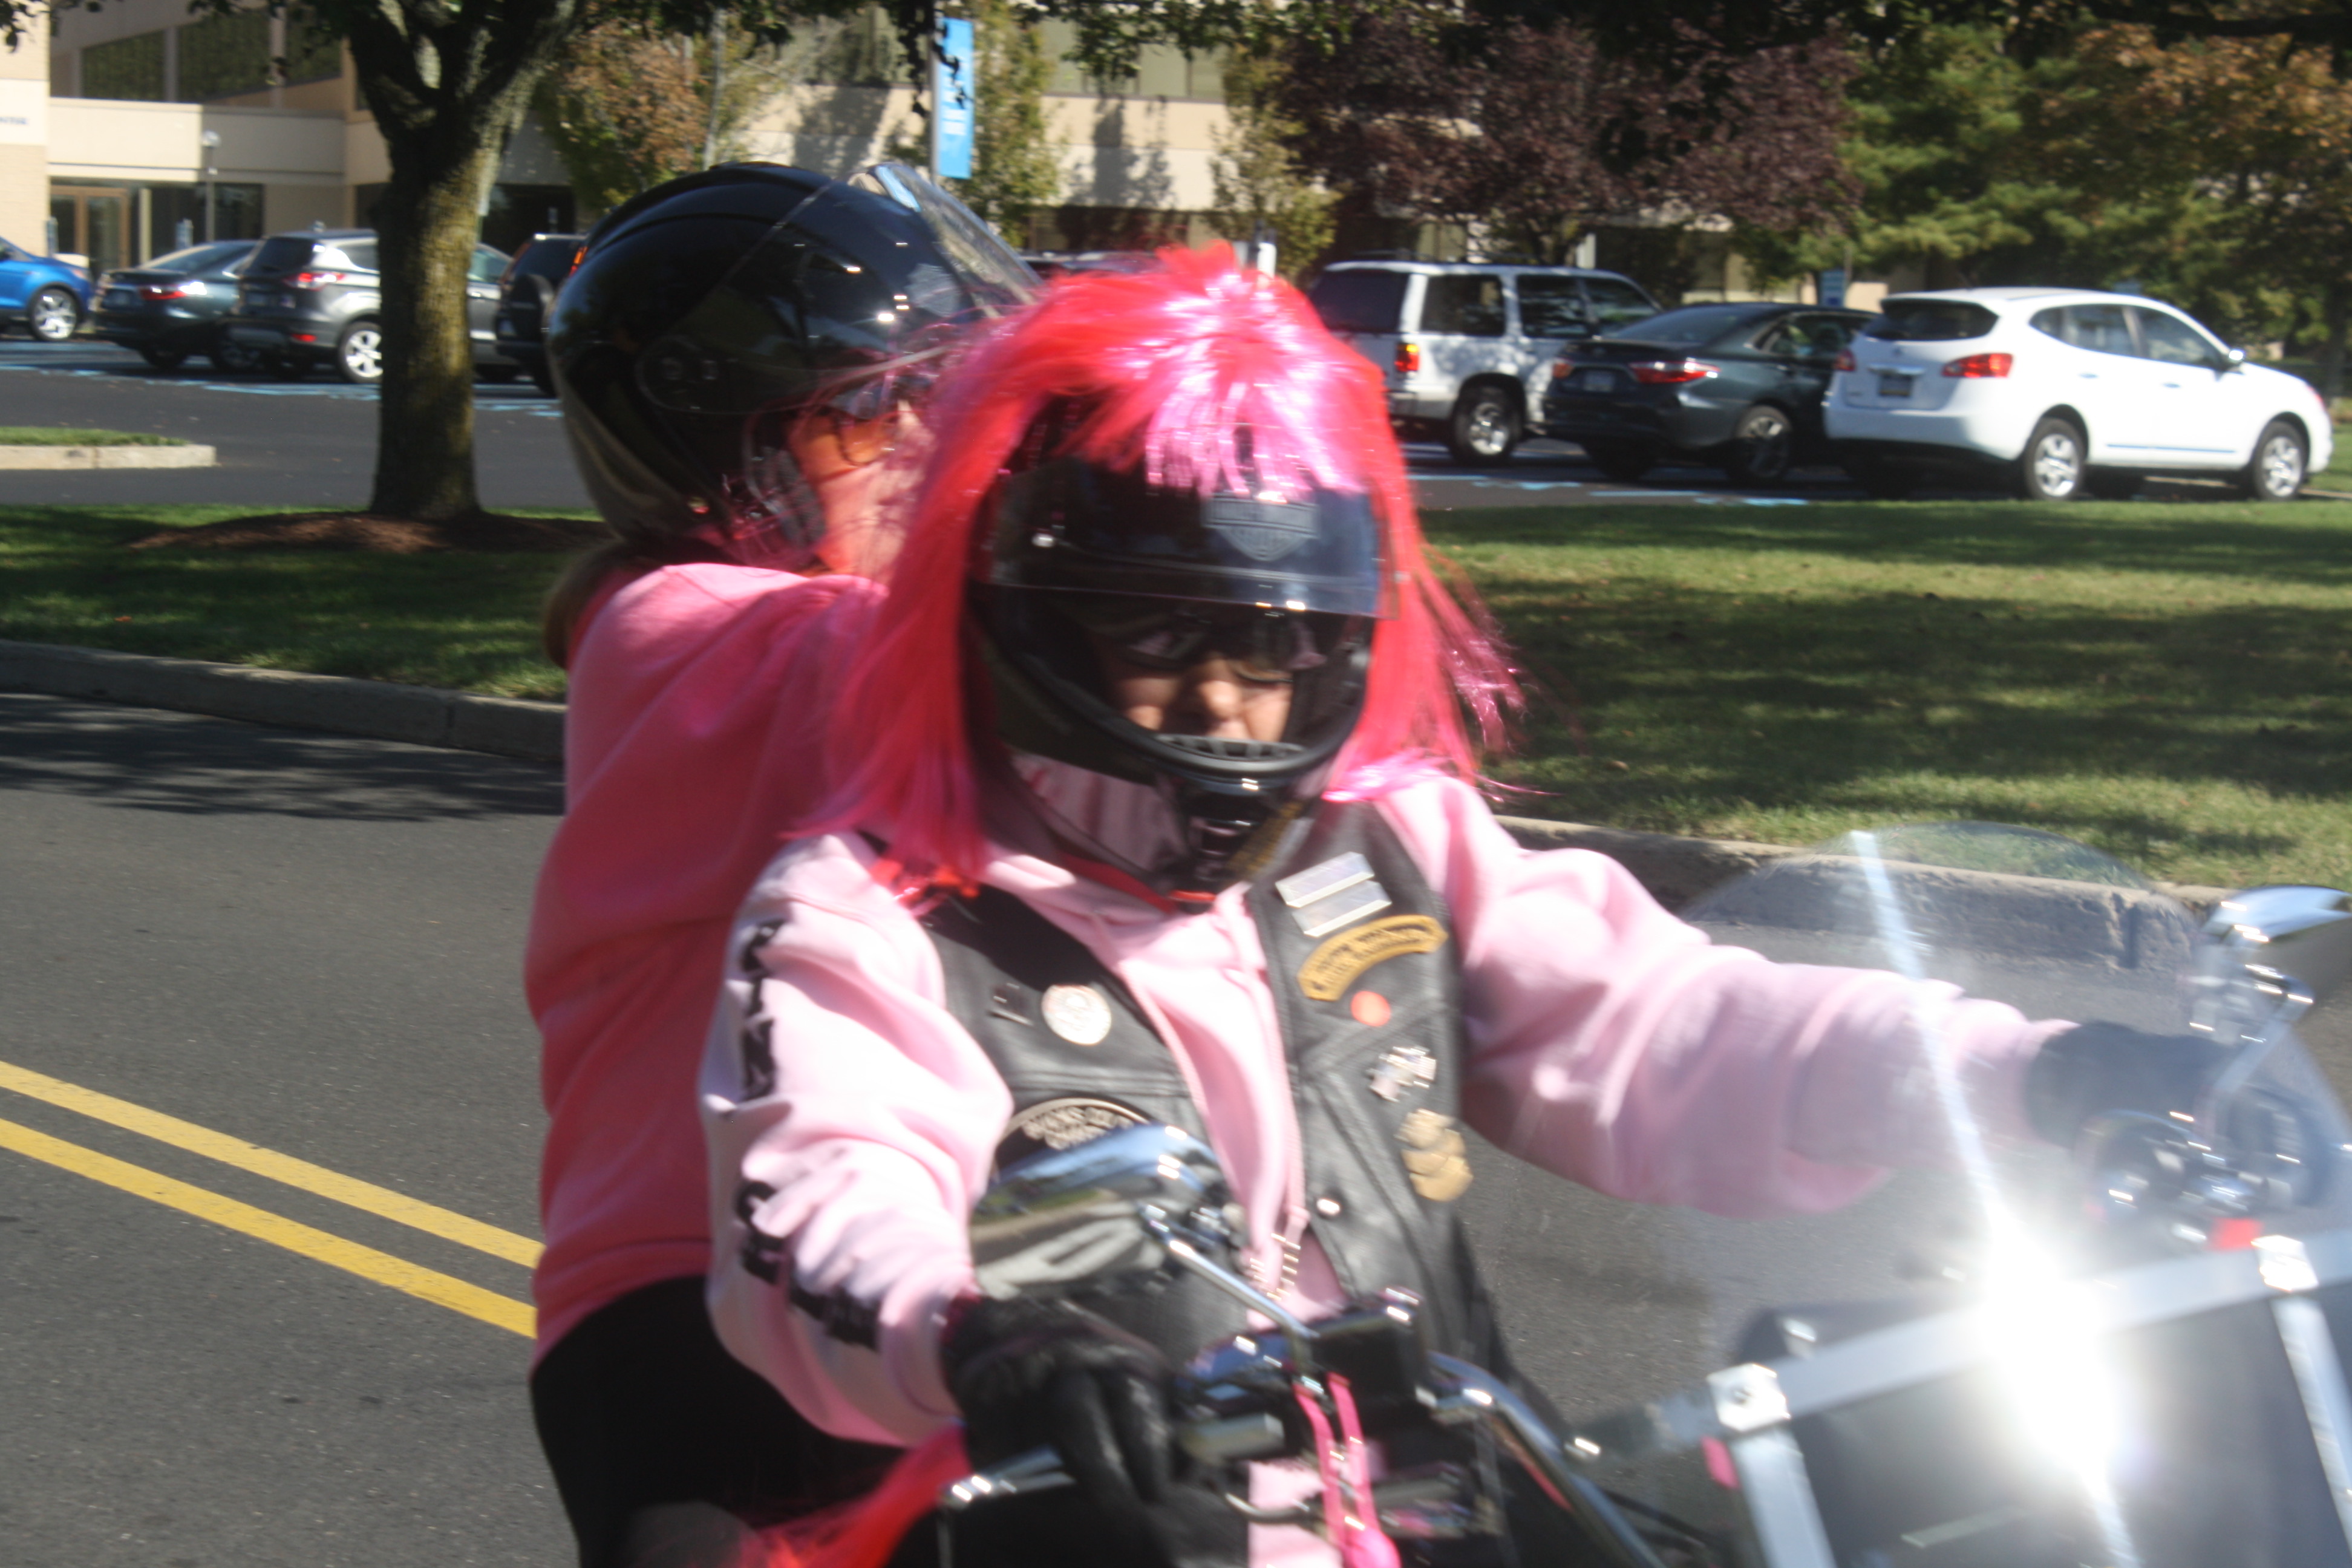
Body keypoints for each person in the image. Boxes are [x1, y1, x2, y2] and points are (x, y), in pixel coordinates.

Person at [696, 247, 2196, 1568]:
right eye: (1155, 634)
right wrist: (982, 1332)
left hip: (1449, 1509)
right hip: (1106, 1532)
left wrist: (2029, 1070)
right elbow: (827, 1189)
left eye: (1275, 645)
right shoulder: (868, 915)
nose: (1224, 703)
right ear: (1016, 616)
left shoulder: (1385, 844)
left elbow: (1670, 1026)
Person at [523, 160, 1031, 1568]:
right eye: (867, 407)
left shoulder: (838, 630)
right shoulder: (683, 633)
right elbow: (1021, 650)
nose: (925, 437)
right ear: (730, 456)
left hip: (895, 1272)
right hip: (686, 1314)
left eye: (938, 392)